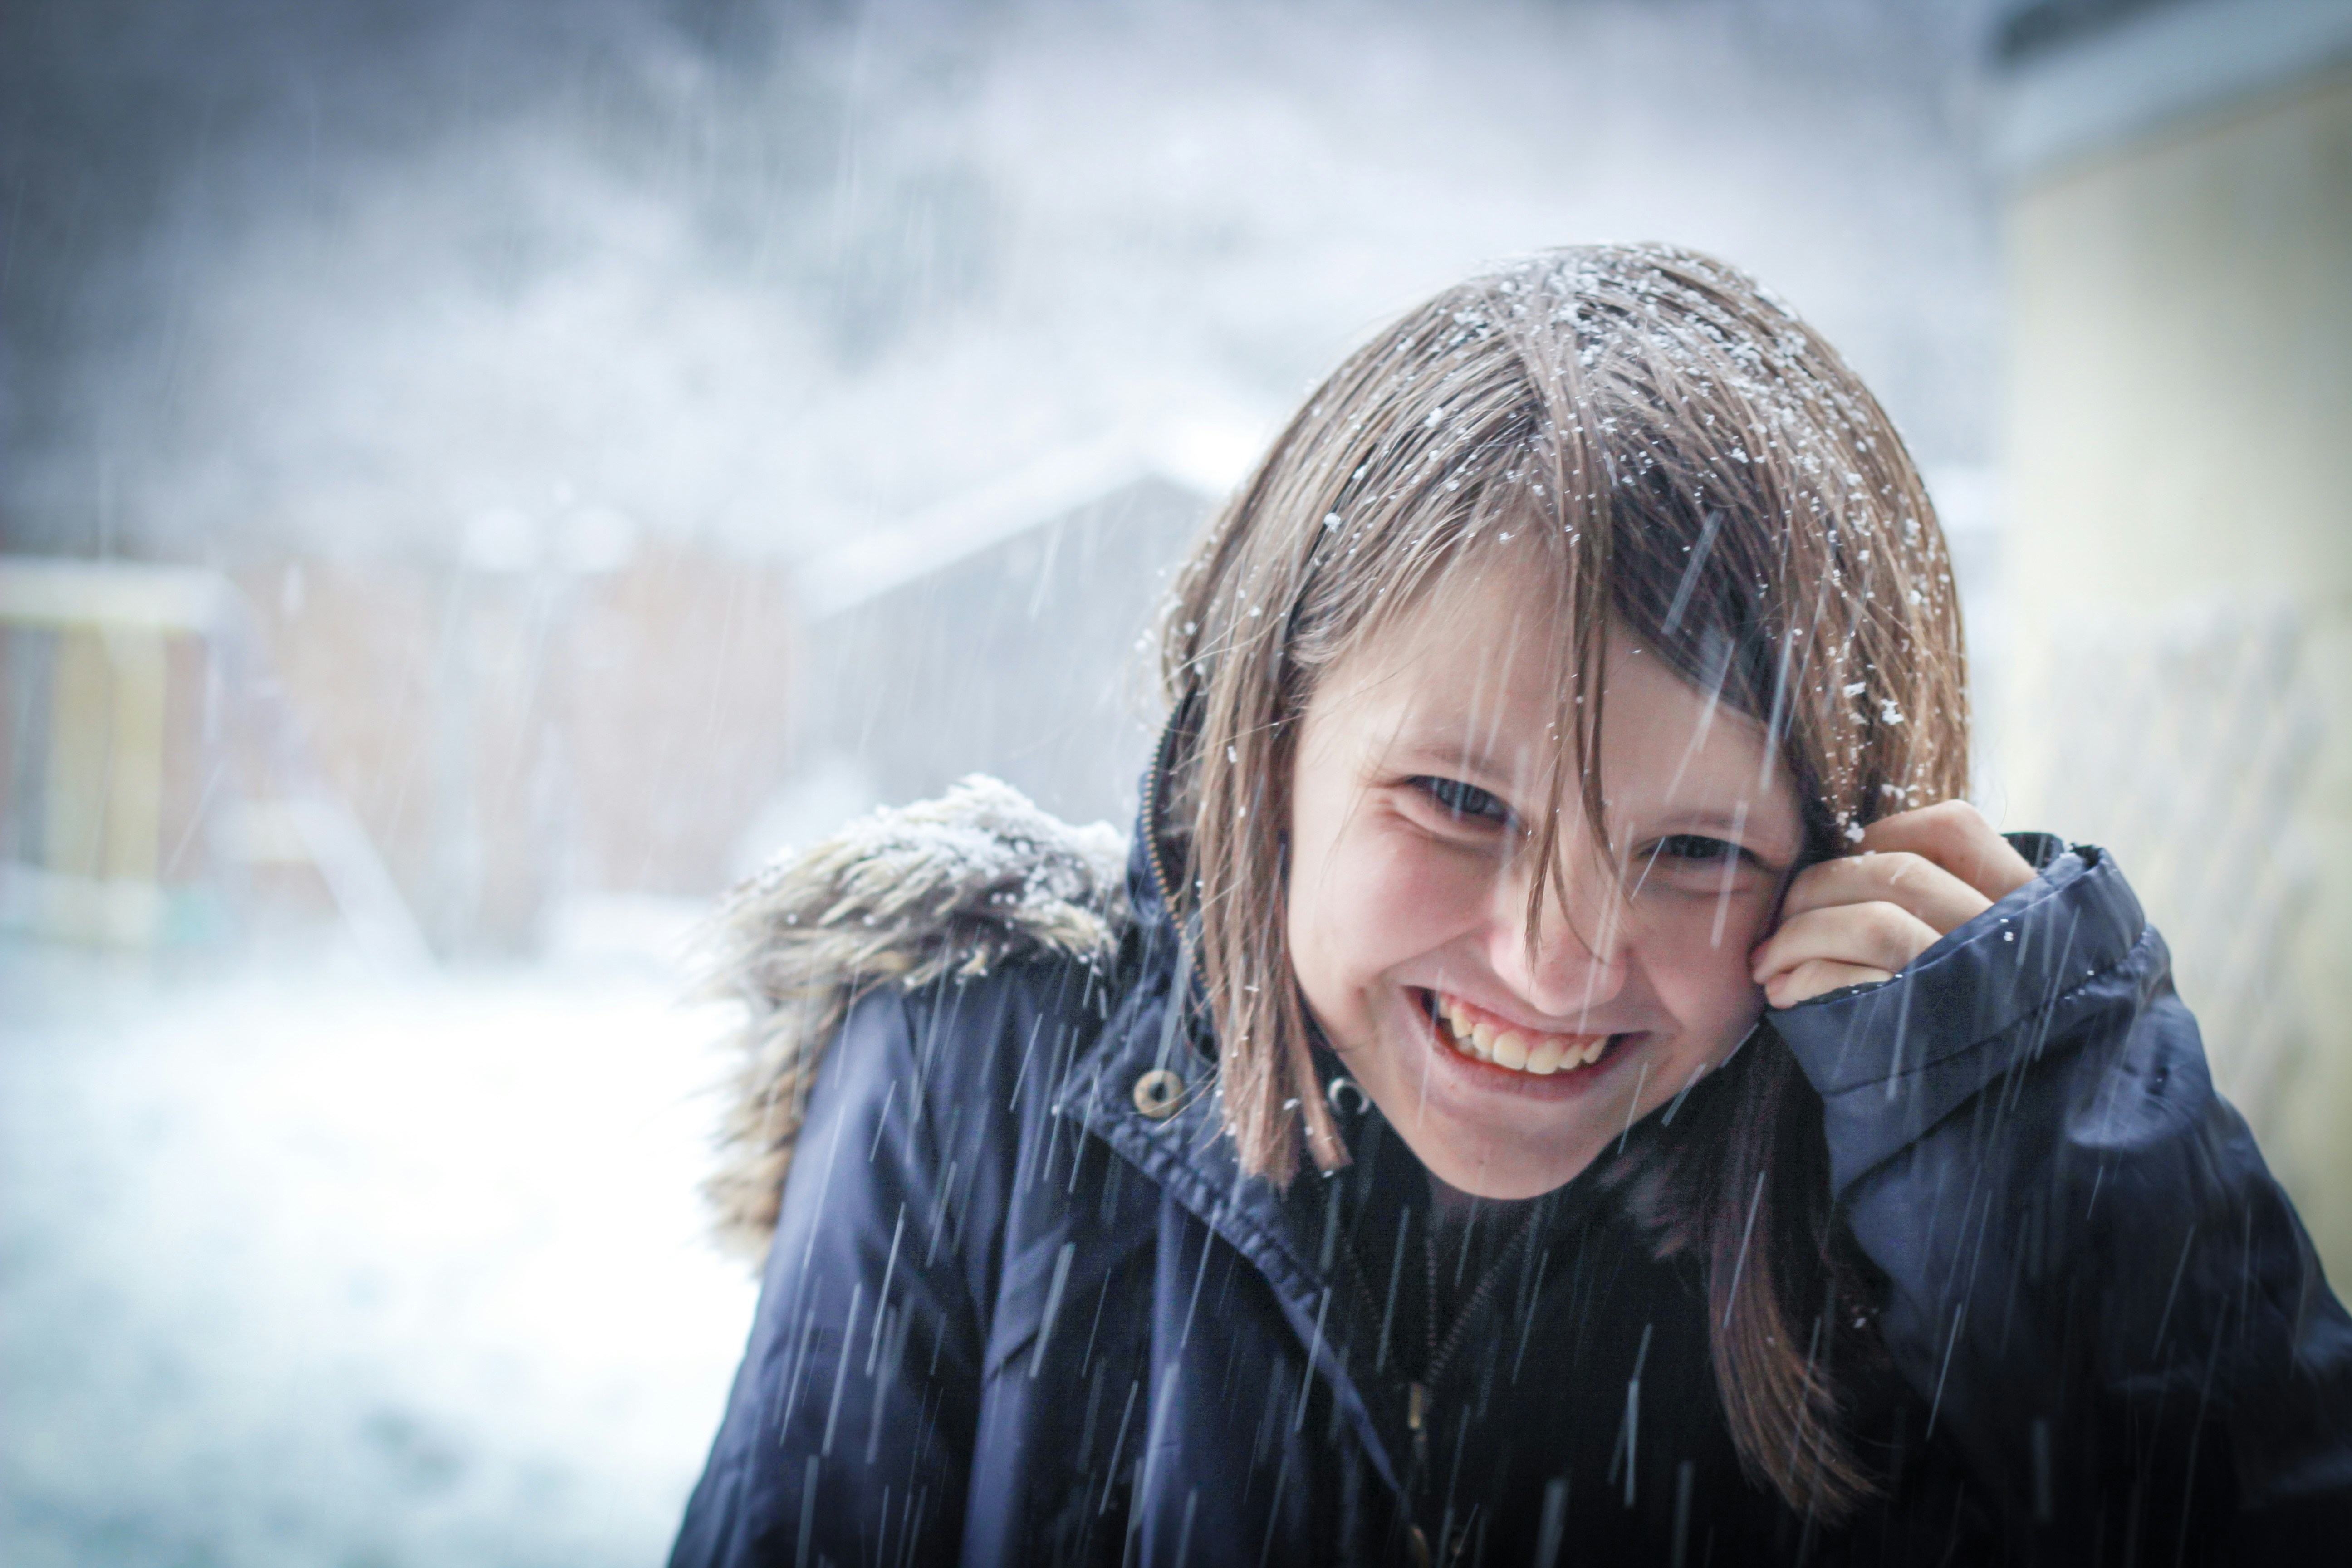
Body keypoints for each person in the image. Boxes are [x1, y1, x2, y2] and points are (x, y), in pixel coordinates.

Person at [668, 245, 2352, 1566]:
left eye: (1696, 852)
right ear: (1267, 747)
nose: (1553, 962)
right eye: (1459, 803)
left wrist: (2050, 1147)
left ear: (1847, 852)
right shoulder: (969, 1068)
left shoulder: (1921, 1173)